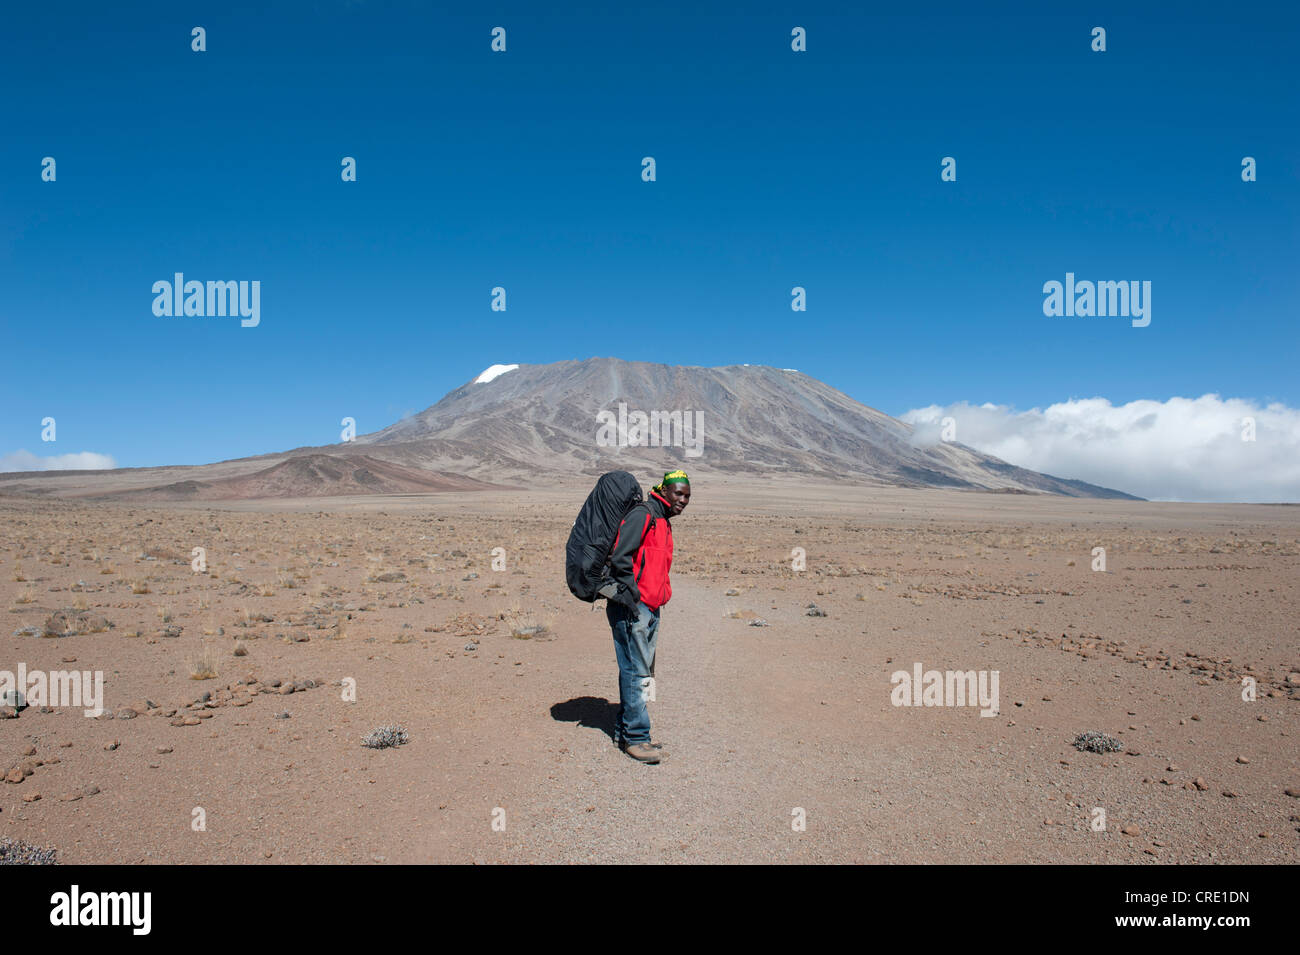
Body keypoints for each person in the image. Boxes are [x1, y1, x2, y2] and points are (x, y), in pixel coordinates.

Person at [603, 469, 690, 764]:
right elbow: (619, 558)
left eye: (687, 496)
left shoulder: (663, 521)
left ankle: (626, 731)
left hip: (651, 608)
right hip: (633, 607)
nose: (683, 500)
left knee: (641, 671)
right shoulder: (644, 515)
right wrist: (631, 596)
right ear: (663, 490)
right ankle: (637, 738)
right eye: (678, 493)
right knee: (637, 672)